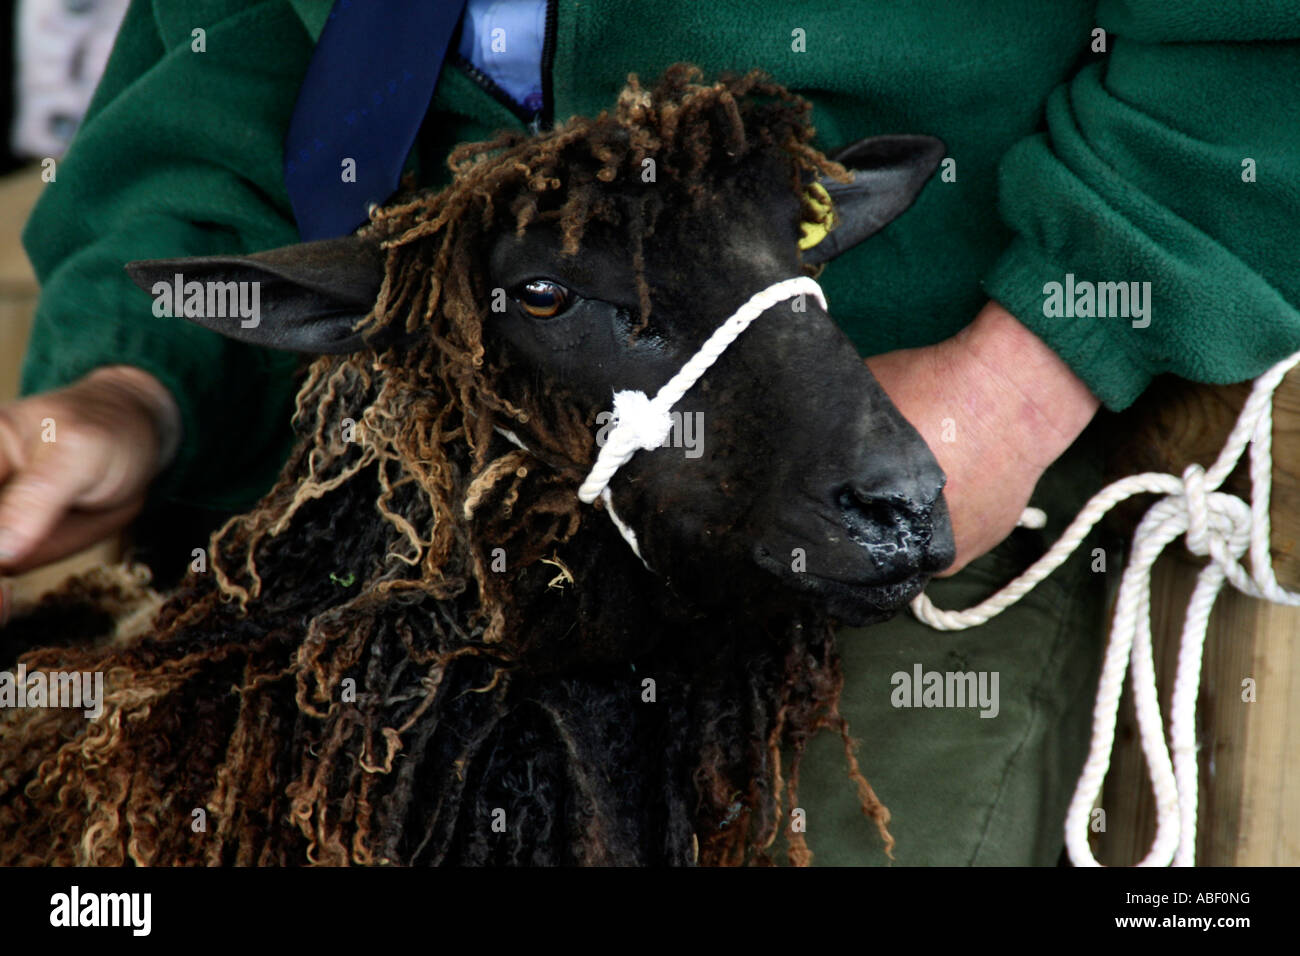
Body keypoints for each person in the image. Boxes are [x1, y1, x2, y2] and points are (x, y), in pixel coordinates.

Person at [2, 0, 1297, 865]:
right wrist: (136, 387)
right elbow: (221, 84)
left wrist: (1026, 373)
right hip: (404, 546)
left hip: (880, 481)